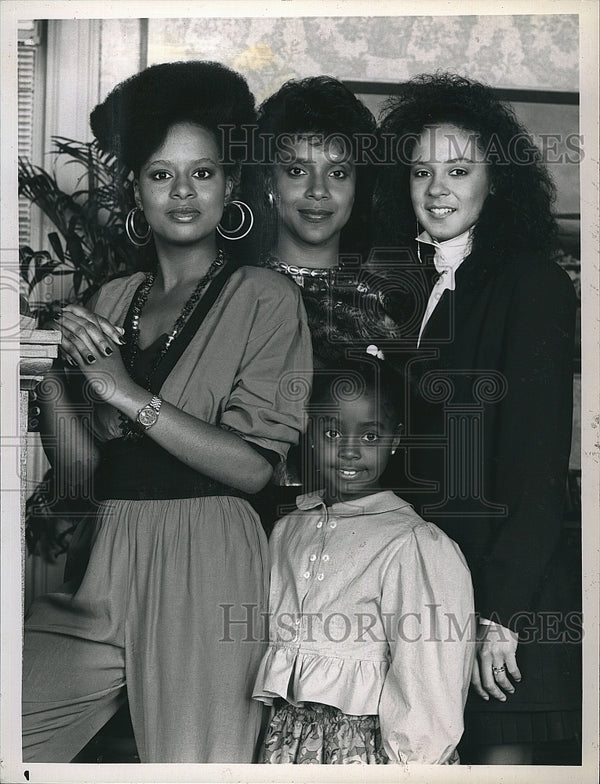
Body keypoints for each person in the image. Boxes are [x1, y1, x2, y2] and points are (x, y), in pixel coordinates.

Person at [22, 61, 312, 763]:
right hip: (107, 555)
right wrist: (47, 374)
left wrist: (122, 389)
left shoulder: (264, 298)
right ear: (137, 191)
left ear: (230, 186)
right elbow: (87, 471)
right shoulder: (113, 298)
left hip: (210, 558)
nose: (183, 193)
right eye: (161, 174)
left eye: (203, 173)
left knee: (196, 767)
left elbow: (251, 469)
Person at [374, 72, 579, 764]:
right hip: (430, 585)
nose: (437, 190)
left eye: (458, 171)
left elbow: (535, 465)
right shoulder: (411, 284)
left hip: (509, 593)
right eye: (421, 172)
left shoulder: (533, 283)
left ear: (496, 181)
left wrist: (502, 613)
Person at [252, 358, 475, 764]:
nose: (351, 450)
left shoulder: (414, 544)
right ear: (310, 434)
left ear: (394, 439)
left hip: (367, 749)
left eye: (371, 435)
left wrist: (413, 763)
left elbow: (430, 674)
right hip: (287, 740)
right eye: (333, 432)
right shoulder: (287, 531)